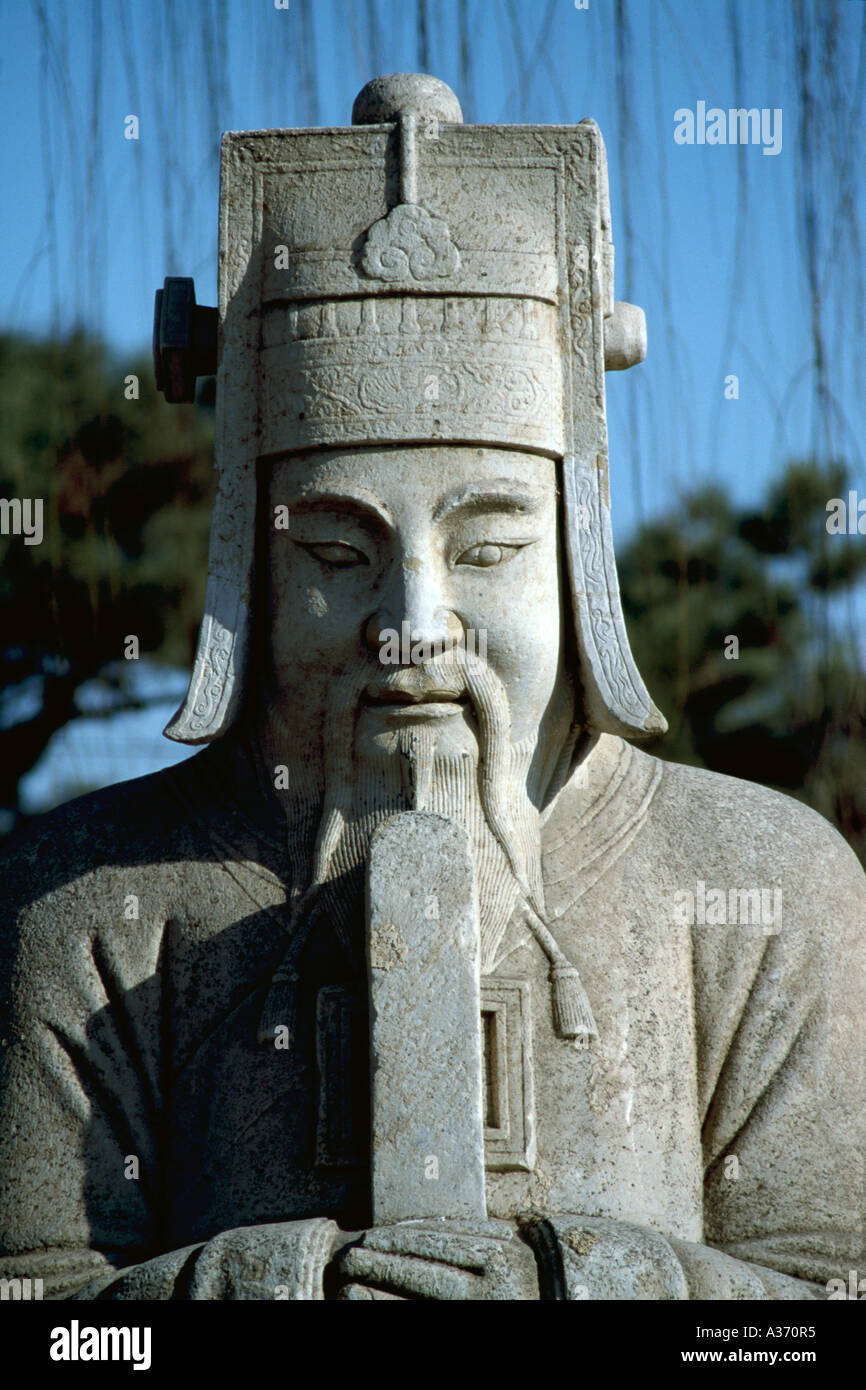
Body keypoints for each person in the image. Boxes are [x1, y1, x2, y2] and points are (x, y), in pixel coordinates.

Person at [1, 75, 863, 1300]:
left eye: (487, 549)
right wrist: (272, 1287)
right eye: (337, 556)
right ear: (252, 557)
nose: (412, 626)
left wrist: (582, 1286)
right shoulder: (87, 905)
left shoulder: (764, 888)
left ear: (572, 555)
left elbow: (823, 1310)